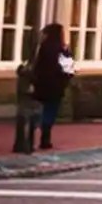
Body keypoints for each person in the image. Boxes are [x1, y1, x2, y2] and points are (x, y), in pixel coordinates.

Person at [29, 23, 74, 151]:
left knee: (40, 109)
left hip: (42, 84)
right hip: (56, 85)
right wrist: (64, 81)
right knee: (50, 110)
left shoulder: (43, 48)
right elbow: (69, 69)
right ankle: (45, 137)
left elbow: (36, 66)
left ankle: (33, 134)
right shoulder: (62, 50)